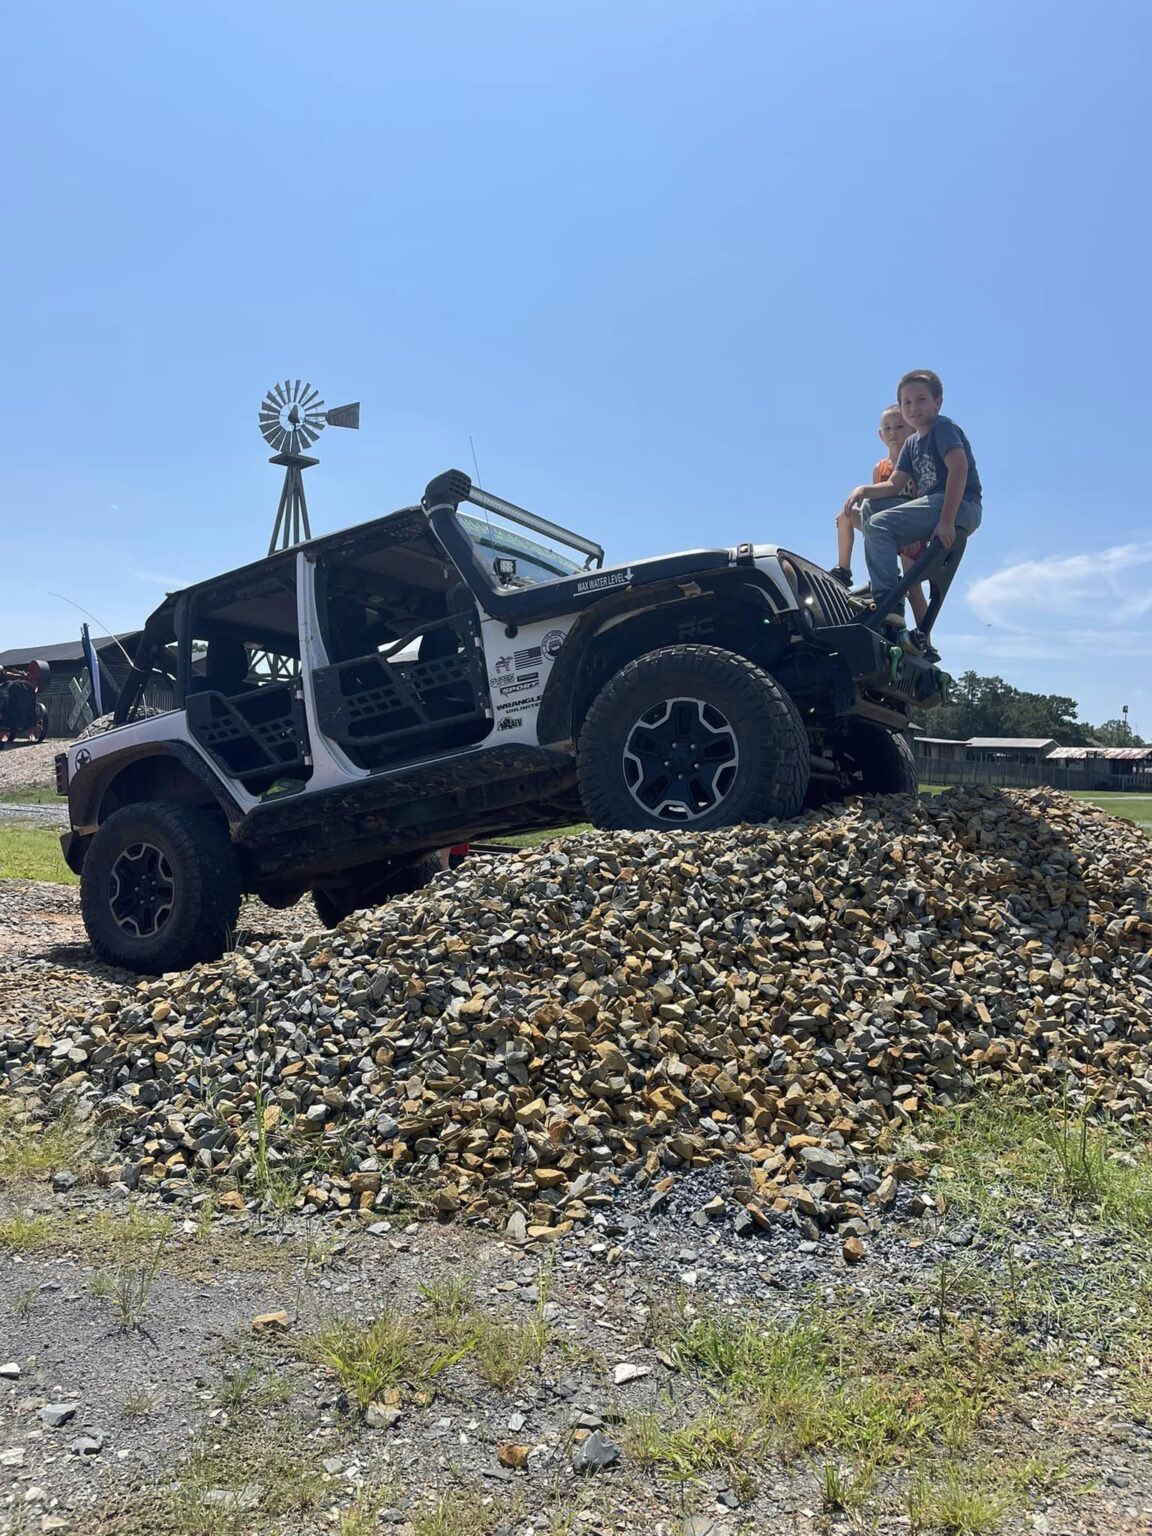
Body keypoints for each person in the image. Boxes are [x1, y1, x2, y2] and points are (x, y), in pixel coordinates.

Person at [841, 369, 982, 641]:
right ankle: (886, 586)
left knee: (880, 525)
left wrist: (946, 520)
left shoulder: (944, 429)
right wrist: (862, 490)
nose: (913, 408)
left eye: (921, 400)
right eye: (906, 402)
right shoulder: (911, 445)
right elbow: (893, 486)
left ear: (937, 403)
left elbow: (959, 470)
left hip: (961, 504)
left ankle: (889, 602)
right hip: (935, 504)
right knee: (871, 508)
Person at [832, 404, 928, 628]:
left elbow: (922, 501)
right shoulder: (881, 467)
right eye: (888, 428)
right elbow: (877, 501)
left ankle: (926, 639)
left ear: (912, 430)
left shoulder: (917, 464)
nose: (893, 433)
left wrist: (917, 534)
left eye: (899, 427)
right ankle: (843, 571)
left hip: (909, 531)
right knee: (845, 516)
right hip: (882, 528)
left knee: (913, 587)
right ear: (880, 434)